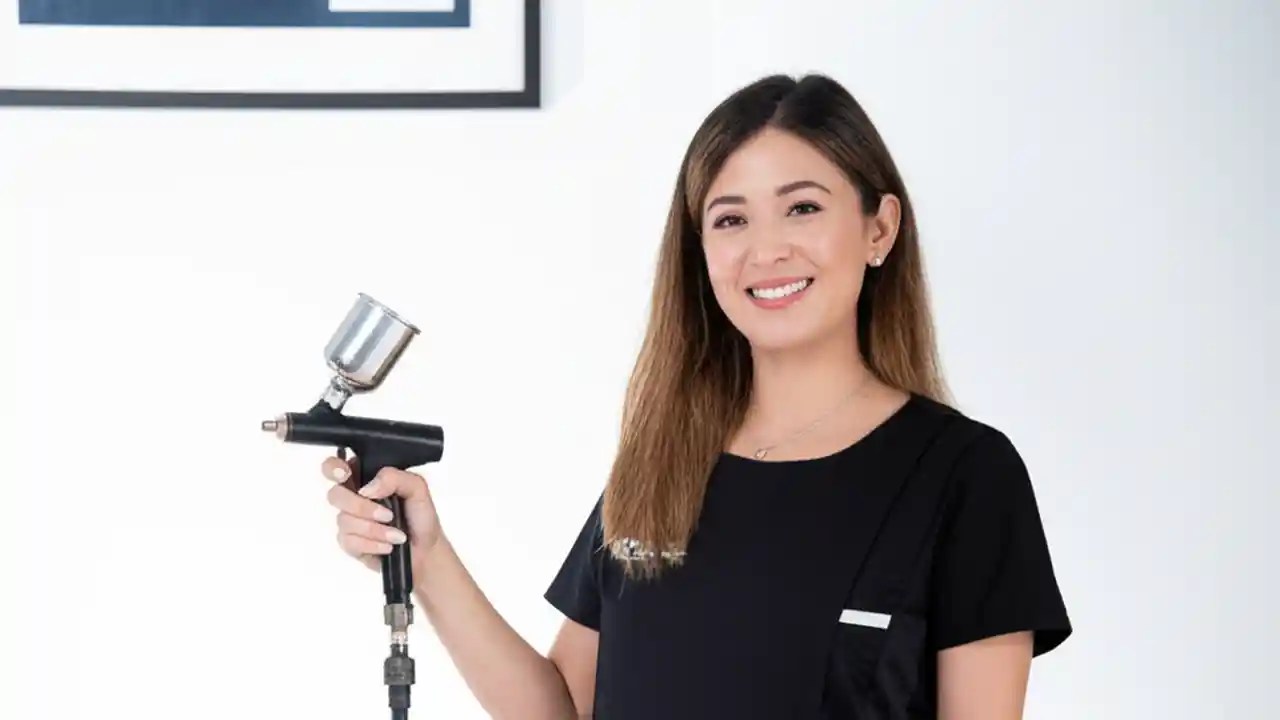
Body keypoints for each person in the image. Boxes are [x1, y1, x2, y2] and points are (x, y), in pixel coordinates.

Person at [320, 73, 1072, 719]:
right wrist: (429, 557)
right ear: (700, 252)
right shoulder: (662, 463)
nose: (766, 248)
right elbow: (563, 710)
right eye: (731, 219)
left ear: (880, 229)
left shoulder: (965, 476)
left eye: (802, 207)